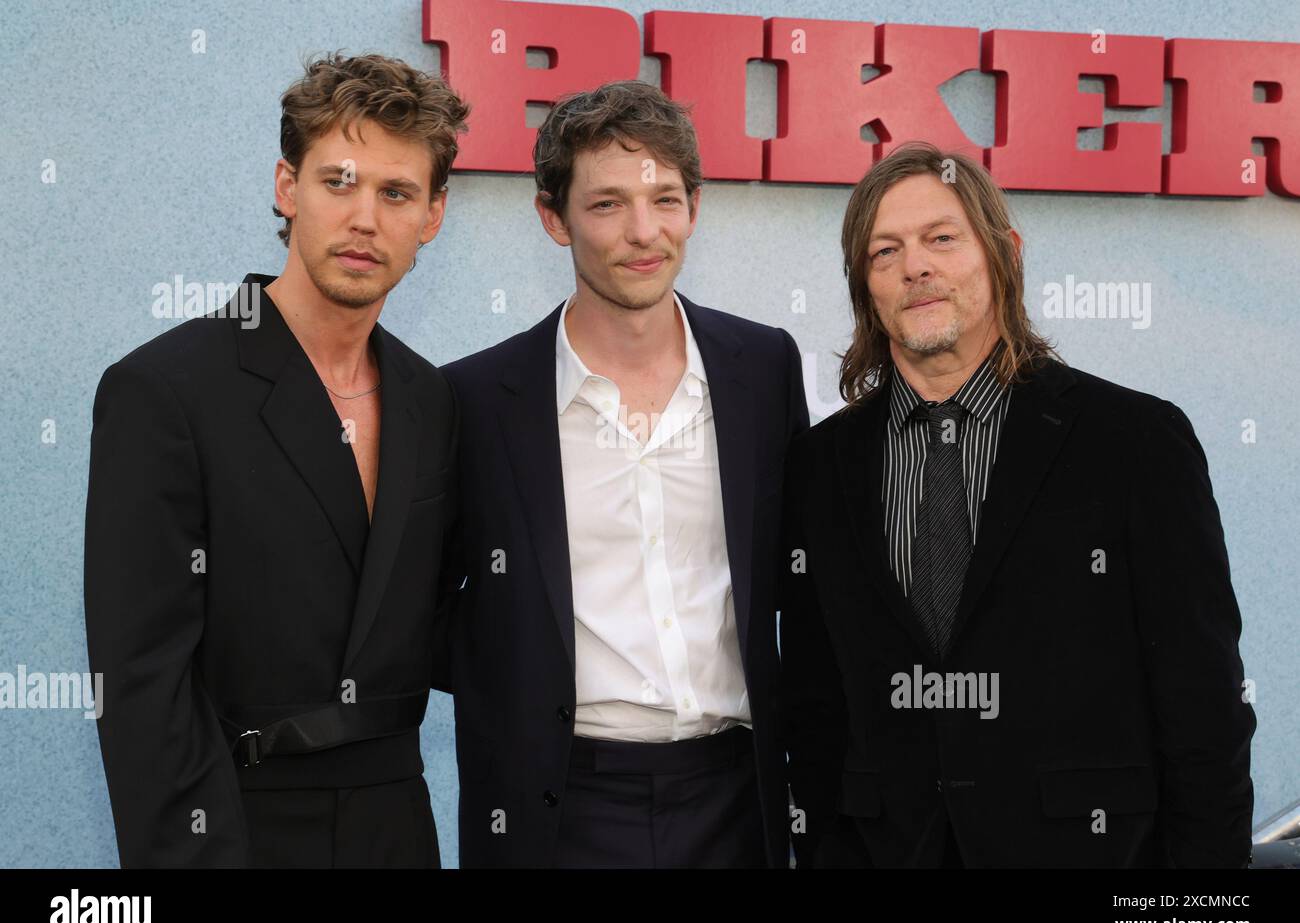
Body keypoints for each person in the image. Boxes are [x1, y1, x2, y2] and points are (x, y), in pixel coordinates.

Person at [781, 142, 1255, 868]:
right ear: (864, 286)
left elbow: (1203, 711)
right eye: (886, 251)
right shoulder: (820, 464)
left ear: (1005, 253)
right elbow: (815, 707)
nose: (916, 266)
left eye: (942, 238)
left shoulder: (1134, 442)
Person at [84, 52, 468, 867]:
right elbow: (143, 687)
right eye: (339, 182)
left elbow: (448, 629)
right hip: (238, 826)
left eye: (396, 193)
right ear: (287, 189)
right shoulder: (163, 390)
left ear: (432, 215)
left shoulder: (433, 399)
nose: (365, 217)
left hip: (400, 826)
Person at [439, 81, 809, 867]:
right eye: (606, 204)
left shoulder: (764, 367)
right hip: (561, 803)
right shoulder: (477, 399)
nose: (644, 233)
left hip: (737, 797)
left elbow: (800, 578)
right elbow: (428, 611)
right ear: (553, 217)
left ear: (694, 208)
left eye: (664, 199)